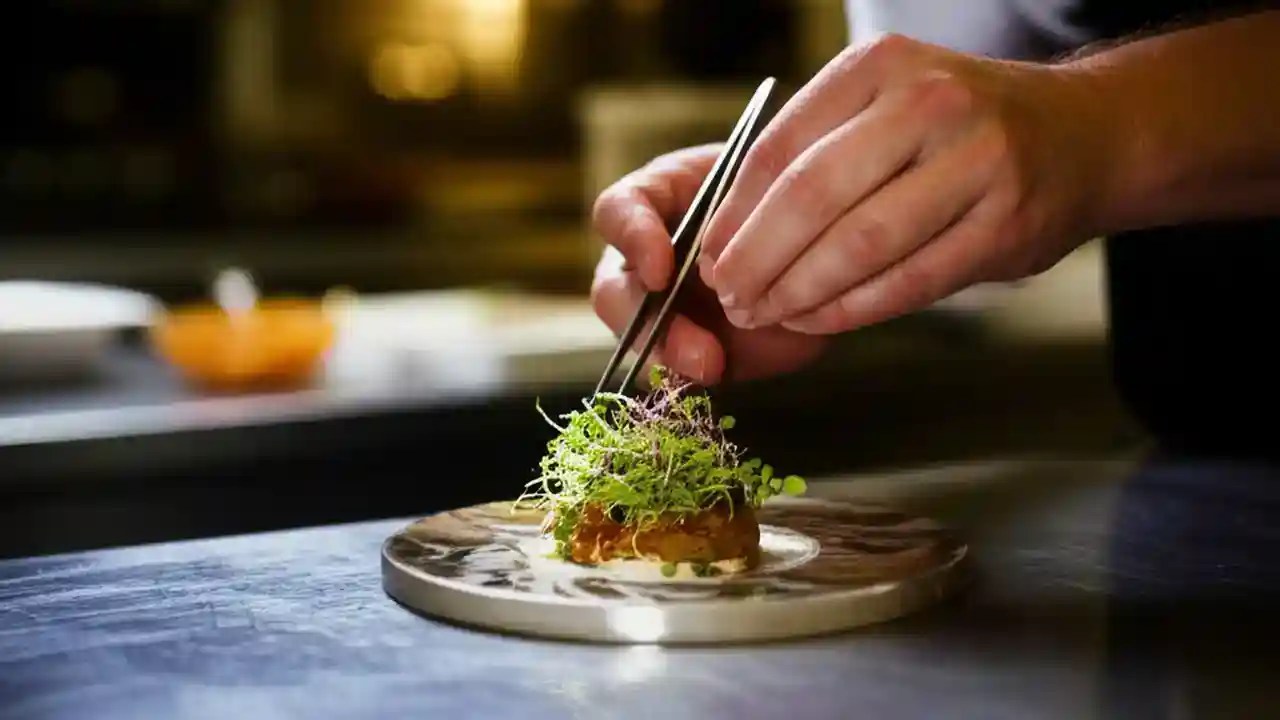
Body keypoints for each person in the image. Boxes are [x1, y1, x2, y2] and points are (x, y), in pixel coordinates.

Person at [589, 2, 1280, 457]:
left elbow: (1051, 119)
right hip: (1198, 449)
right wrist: (806, 211)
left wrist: (1099, 126)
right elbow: (956, 91)